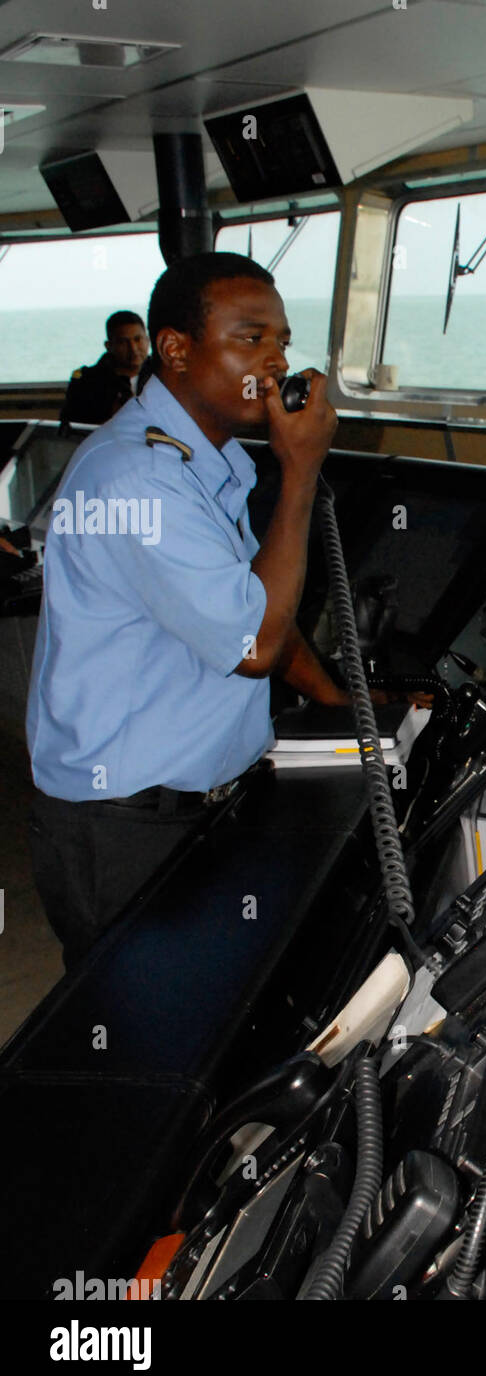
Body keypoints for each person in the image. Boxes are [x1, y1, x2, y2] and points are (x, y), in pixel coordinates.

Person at [27, 251, 347, 971]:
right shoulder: (138, 478)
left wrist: (347, 709)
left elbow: (257, 603)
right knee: (136, 1041)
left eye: (282, 342)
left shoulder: (202, 463)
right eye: (251, 338)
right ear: (175, 349)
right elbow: (255, 643)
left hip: (198, 805)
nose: (275, 363)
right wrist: (300, 474)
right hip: (124, 825)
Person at [60, 310, 150, 427]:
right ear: (109, 346)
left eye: (138, 339)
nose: (133, 348)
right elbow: (70, 429)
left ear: (148, 341)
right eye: (123, 342)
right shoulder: (87, 382)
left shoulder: (163, 375)